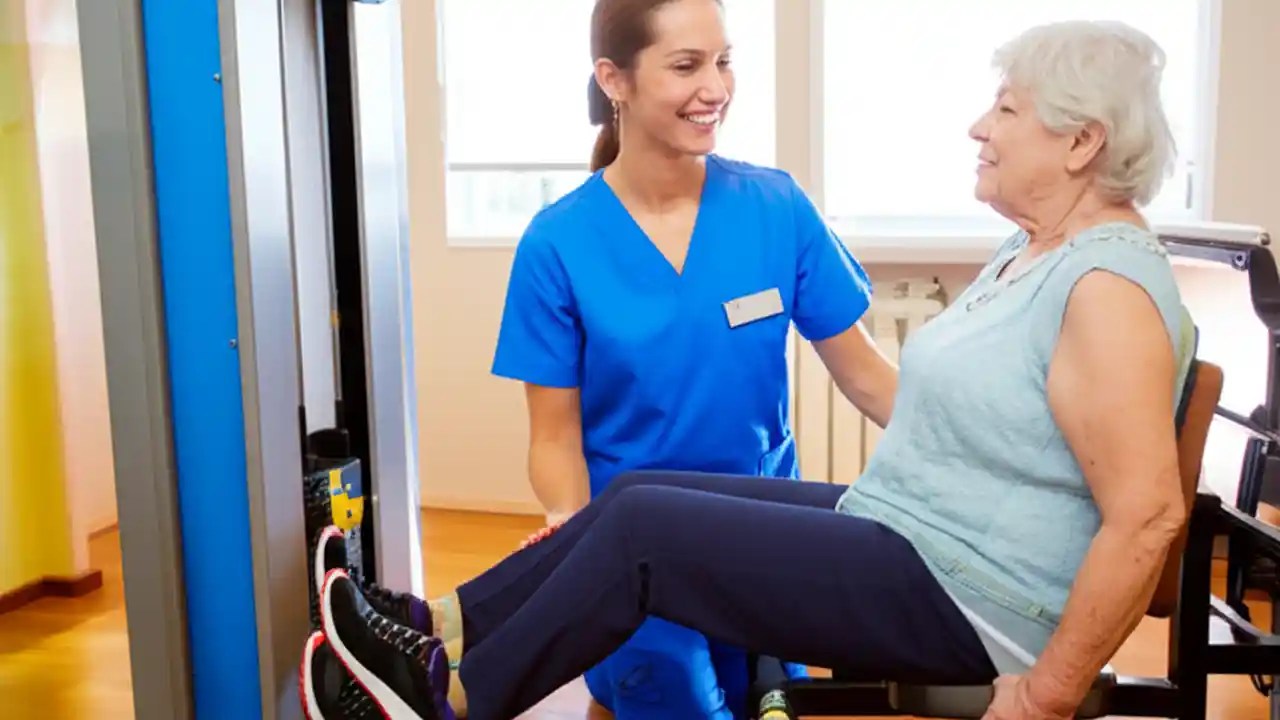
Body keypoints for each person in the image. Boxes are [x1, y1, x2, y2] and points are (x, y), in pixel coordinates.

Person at [309, 16, 1194, 720]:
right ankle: (431, 629)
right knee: (636, 496)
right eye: (688, 64)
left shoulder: (1105, 285)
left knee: (644, 528)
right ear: (616, 84)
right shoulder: (1033, 252)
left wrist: (1047, 694)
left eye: (1004, 108)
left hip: (968, 593)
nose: (978, 125)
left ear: (1080, 143)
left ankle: (439, 700)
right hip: (916, 536)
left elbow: (1149, 512)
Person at [483, 0, 897, 717]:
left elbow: (865, 376)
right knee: (672, 699)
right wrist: (566, 521)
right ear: (615, 80)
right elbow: (552, 434)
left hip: (763, 540)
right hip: (633, 556)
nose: (717, 88)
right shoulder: (557, 244)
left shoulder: (776, 207)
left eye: (724, 60)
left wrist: (974, 466)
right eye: (686, 66)